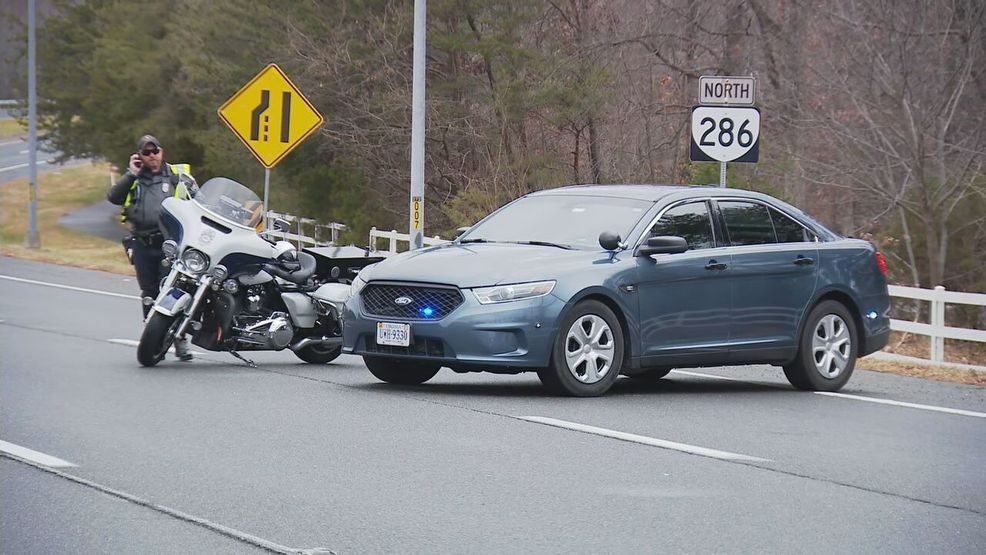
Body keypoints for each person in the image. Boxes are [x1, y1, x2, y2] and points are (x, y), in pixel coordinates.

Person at [107, 134, 195, 361]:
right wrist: (130, 174)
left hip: (171, 245)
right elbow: (113, 198)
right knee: (149, 293)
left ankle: (180, 339)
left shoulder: (178, 176)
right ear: (139, 156)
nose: (152, 156)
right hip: (142, 244)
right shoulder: (134, 179)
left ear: (162, 152)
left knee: (175, 292)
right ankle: (153, 338)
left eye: (154, 151)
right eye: (146, 153)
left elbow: (200, 201)